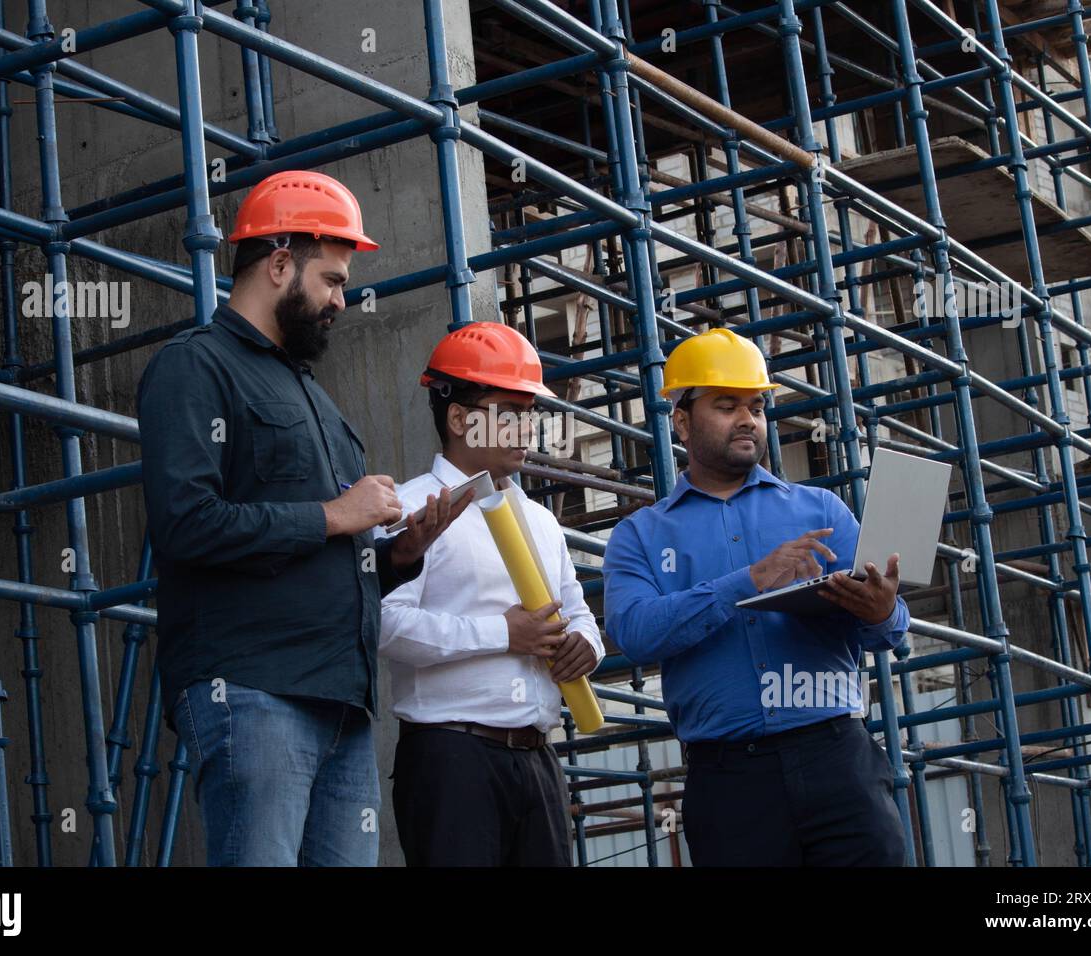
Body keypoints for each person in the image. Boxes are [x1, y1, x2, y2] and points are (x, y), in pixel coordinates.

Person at [137, 170, 469, 866]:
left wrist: (399, 556)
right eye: (332, 280)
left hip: (341, 705)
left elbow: (330, 552)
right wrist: (335, 514)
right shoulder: (195, 368)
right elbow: (187, 524)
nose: (341, 300)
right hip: (253, 689)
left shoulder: (318, 401)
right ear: (280, 263)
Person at [601, 327, 908, 866]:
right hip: (731, 783)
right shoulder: (640, 535)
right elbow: (635, 633)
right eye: (727, 406)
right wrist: (750, 580)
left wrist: (881, 611)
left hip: (838, 758)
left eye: (757, 407)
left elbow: (891, 628)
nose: (747, 419)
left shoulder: (822, 511)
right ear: (681, 421)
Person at [376, 322, 605, 866]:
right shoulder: (409, 510)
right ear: (459, 418)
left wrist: (586, 646)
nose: (527, 428)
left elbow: (578, 612)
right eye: (511, 413)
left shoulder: (541, 521)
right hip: (451, 757)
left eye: (530, 413)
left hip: (538, 757)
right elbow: (384, 625)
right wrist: (503, 634)